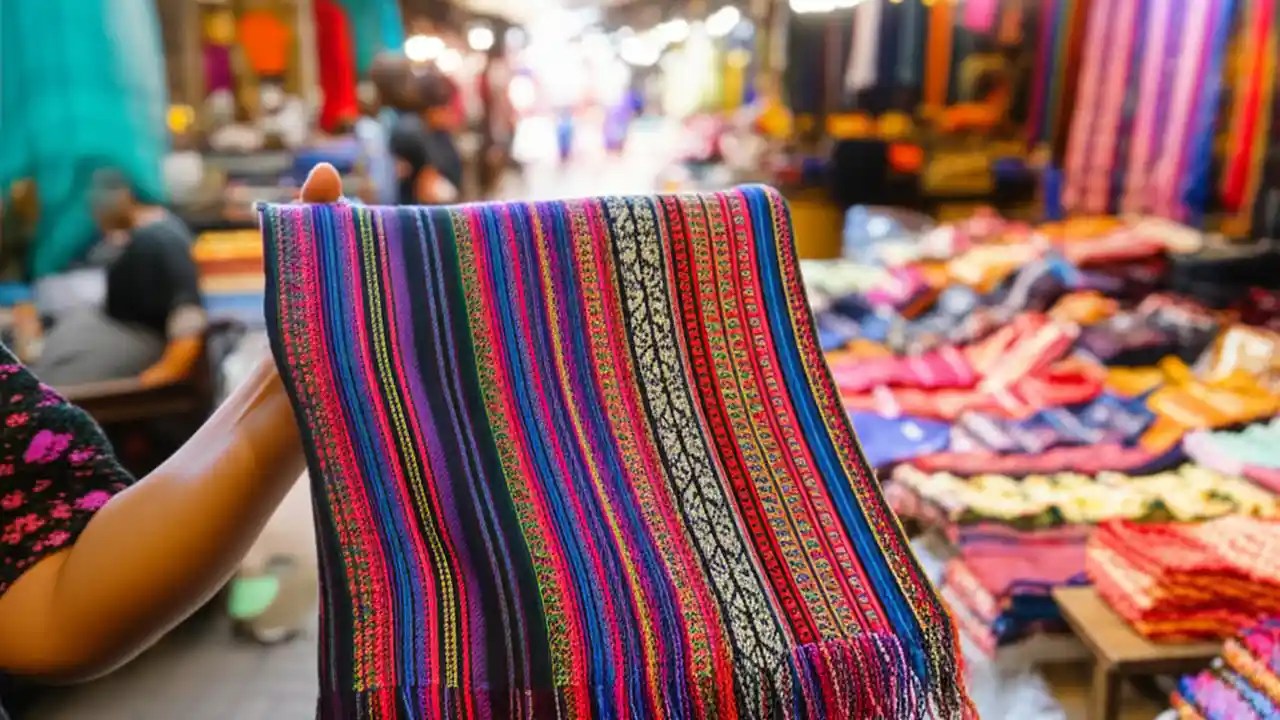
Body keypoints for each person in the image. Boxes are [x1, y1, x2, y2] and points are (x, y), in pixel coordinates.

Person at [0, 164, 342, 720]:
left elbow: (52, 595)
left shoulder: (158, 241)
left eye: (98, 191)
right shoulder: (129, 244)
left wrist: (300, 370)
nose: (91, 204)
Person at [32, 169, 204, 387]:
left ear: (125, 195)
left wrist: (163, 374)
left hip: (136, 342)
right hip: (105, 337)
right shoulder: (133, 235)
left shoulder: (161, 239)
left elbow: (188, 316)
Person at [389, 71, 464, 206]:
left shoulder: (439, 134)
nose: (450, 114)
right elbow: (427, 188)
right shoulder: (411, 133)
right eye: (445, 107)